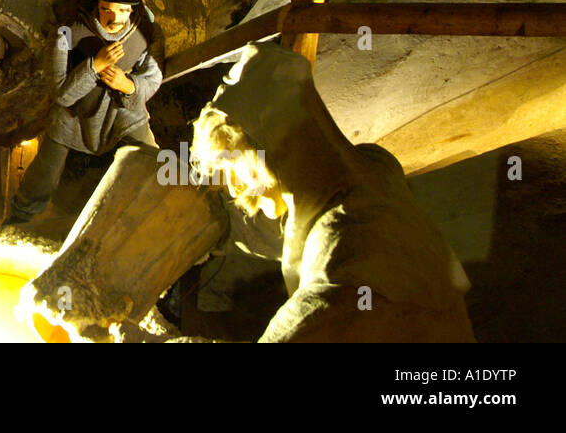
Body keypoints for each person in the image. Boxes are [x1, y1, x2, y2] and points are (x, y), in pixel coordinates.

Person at [191, 42, 475, 342]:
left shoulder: (343, 256)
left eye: (234, 163)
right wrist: (210, 230)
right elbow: (280, 231)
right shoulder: (369, 174)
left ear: (274, 149)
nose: (234, 187)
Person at [5, 0, 163, 224]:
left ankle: (156, 217)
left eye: (122, 10)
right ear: (97, 5)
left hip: (120, 111)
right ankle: (21, 216)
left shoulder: (142, 31)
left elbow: (154, 78)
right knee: (46, 167)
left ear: (132, 9)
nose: (114, 19)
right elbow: (61, 94)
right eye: (106, 10)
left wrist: (129, 86)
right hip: (74, 113)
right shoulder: (67, 33)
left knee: (150, 158)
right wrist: (94, 66)